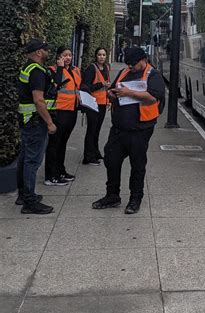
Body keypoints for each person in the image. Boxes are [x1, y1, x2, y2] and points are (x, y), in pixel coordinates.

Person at [92, 47, 165, 215]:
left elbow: (154, 97)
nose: (130, 67)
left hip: (140, 129)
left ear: (143, 60)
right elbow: (115, 89)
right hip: (119, 129)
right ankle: (112, 195)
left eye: (133, 64)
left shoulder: (152, 75)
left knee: (137, 164)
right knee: (111, 159)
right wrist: (112, 94)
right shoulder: (124, 72)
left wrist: (129, 92)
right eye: (128, 64)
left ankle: (135, 198)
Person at [17, 39, 58, 214]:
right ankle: (30, 202)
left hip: (28, 120)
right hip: (36, 121)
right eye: (45, 49)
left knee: (25, 158)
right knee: (32, 161)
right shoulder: (36, 72)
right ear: (38, 53)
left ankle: (24, 195)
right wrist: (49, 122)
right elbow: (38, 100)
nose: (47, 51)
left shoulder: (28, 67)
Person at [44, 46, 81, 185]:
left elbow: (77, 88)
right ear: (58, 57)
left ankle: (60, 170)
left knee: (63, 143)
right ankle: (50, 175)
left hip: (72, 111)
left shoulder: (74, 70)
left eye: (70, 55)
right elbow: (56, 84)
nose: (68, 58)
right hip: (59, 111)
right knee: (55, 143)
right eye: (65, 55)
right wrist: (60, 67)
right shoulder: (52, 70)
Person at [81, 47, 111, 165]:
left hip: (102, 103)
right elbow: (86, 86)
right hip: (93, 104)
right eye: (99, 55)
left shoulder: (107, 68)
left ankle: (95, 152)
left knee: (97, 129)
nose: (101, 57)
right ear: (96, 56)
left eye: (103, 55)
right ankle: (88, 157)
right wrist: (101, 84)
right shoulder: (91, 69)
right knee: (92, 130)